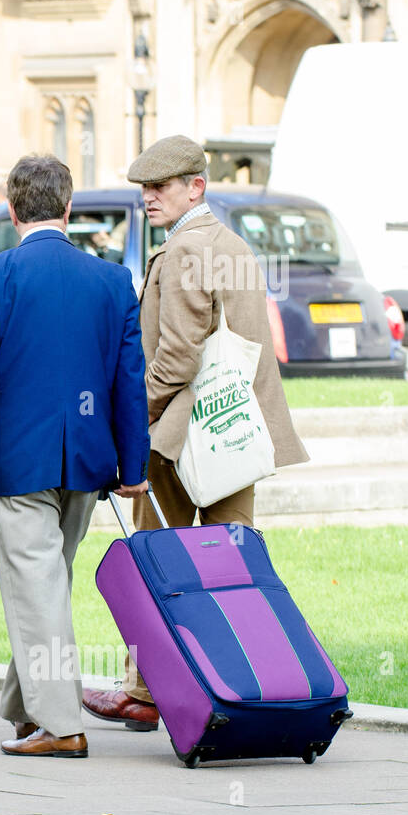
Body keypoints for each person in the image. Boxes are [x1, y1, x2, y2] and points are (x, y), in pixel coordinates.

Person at [81, 135, 308, 731]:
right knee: (236, 567)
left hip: (183, 438)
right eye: (144, 188)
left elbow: (176, 359)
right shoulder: (232, 244)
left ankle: (143, 690)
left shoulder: (183, 252)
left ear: (196, 188)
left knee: (164, 562)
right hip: (237, 432)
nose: (148, 198)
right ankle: (248, 683)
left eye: (160, 188)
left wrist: (134, 418)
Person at [0, 155, 149, 759]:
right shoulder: (112, 280)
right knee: (45, 587)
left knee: (37, 588)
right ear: (69, 208)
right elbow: (128, 382)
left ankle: (62, 726)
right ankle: (24, 708)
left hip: (16, 462)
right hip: (87, 461)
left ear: (11, 212)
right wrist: (133, 469)